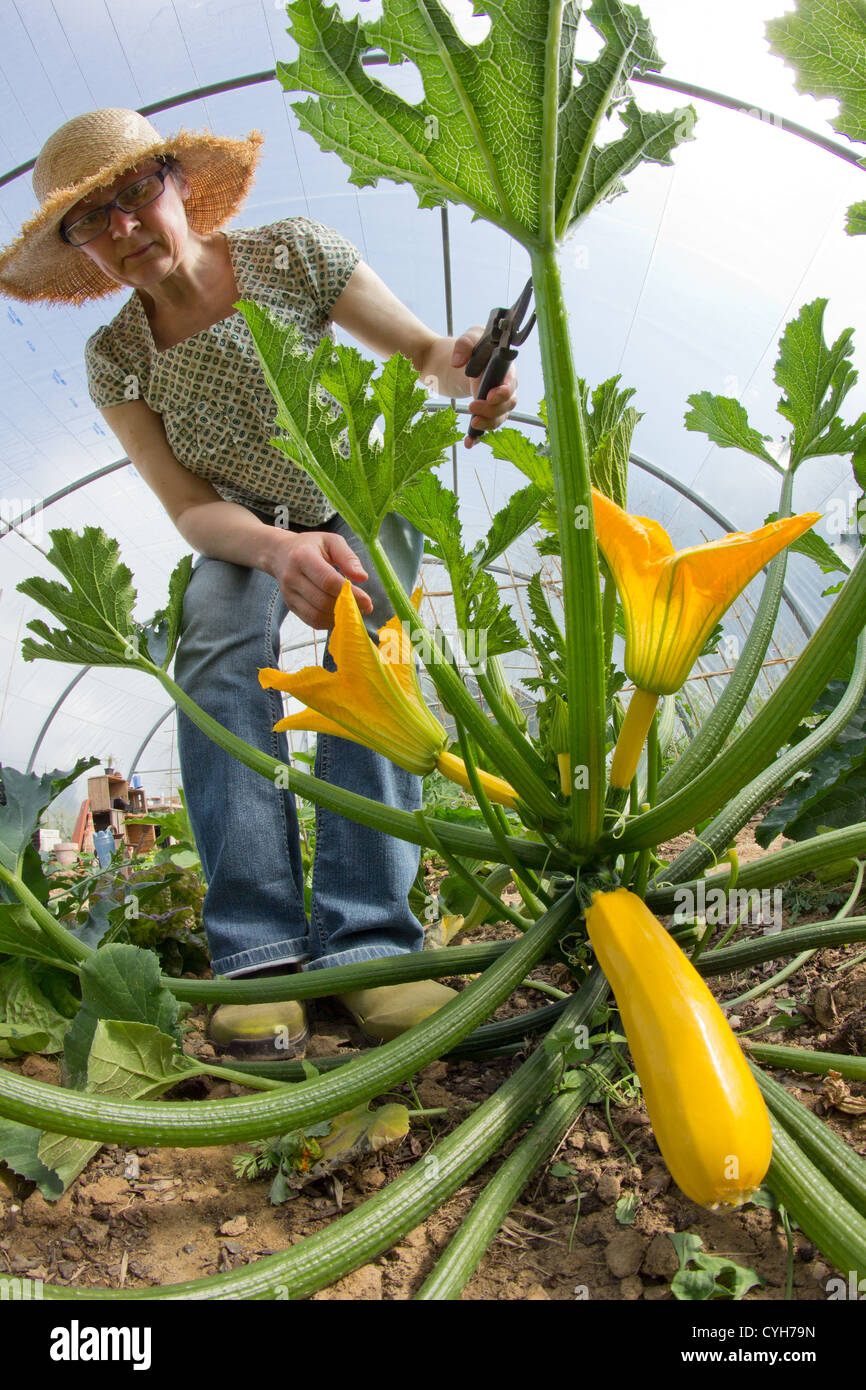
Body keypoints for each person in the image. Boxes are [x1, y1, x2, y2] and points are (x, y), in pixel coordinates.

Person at [0, 108, 518, 1058]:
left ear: (175, 183)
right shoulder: (115, 357)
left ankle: (371, 940)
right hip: (242, 529)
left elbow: (421, 354)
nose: (122, 227)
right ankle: (261, 954)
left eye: (133, 194)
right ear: (78, 248)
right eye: (90, 220)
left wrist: (473, 364)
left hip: (355, 490)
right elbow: (189, 509)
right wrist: (277, 552)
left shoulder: (291, 256)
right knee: (216, 644)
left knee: (375, 655)